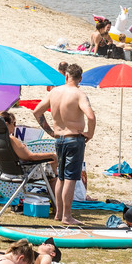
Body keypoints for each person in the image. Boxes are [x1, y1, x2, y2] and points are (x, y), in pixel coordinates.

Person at [30, 63, 95, 226]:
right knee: (71, 179)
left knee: (60, 177)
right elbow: (91, 117)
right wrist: (90, 134)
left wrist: (50, 131)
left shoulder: (54, 92)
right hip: (74, 139)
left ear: (66, 76)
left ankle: (58, 213)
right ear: (80, 79)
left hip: (59, 139)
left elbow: (37, 112)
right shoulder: (79, 94)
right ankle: (67, 216)